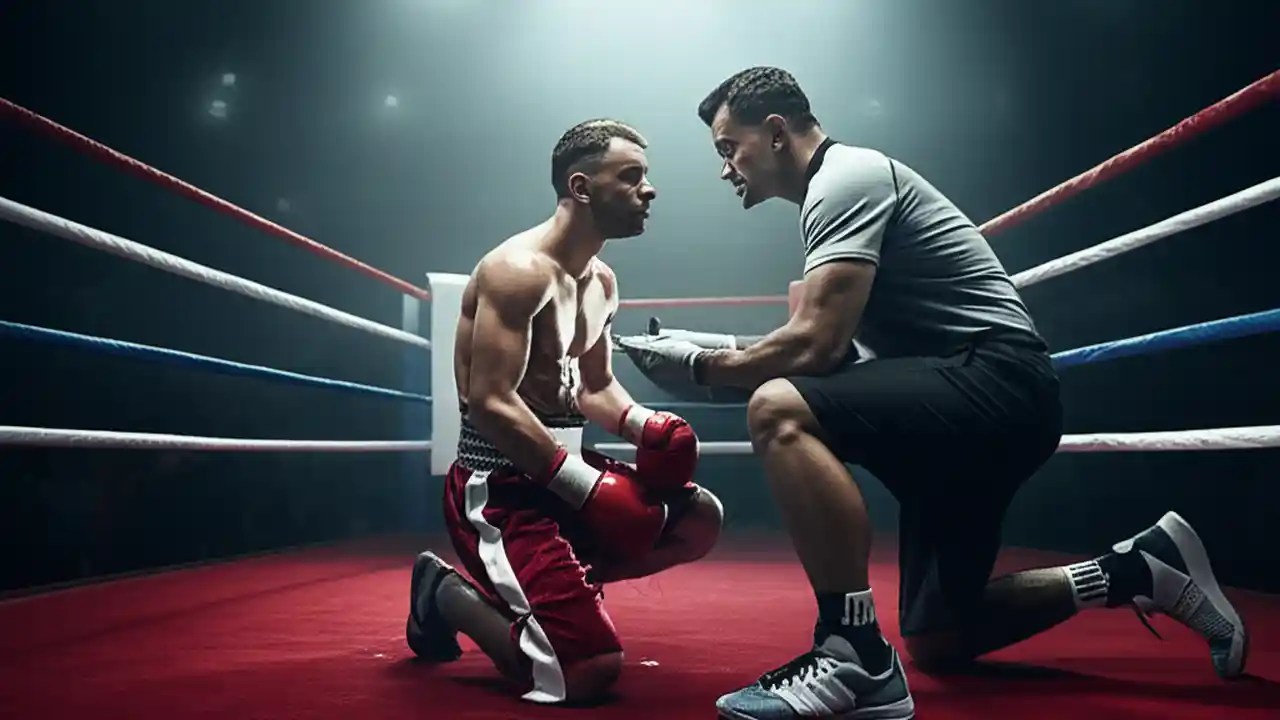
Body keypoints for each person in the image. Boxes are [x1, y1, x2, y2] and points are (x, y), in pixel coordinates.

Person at [615, 67, 1247, 719]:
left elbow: (815, 350)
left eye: (729, 148)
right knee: (940, 634)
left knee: (777, 407)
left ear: (776, 132)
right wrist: (700, 352)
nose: (725, 169)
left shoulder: (844, 179)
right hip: (966, 399)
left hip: (994, 381)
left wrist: (702, 367)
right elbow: (839, 357)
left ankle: (853, 653)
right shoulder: (835, 191)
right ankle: (1136, 569)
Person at [405, 119, 724, 705]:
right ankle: (445, 595)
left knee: (697, 517)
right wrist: (585, 486)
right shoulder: (517, 272)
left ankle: (561, 585)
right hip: (499, 488)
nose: (649, 190)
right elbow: (489, 400)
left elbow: (595, 387)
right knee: (587, 672)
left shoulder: (602, 280)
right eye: (631, 177)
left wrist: (646, 426)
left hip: (561, 476)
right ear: (581, 187)